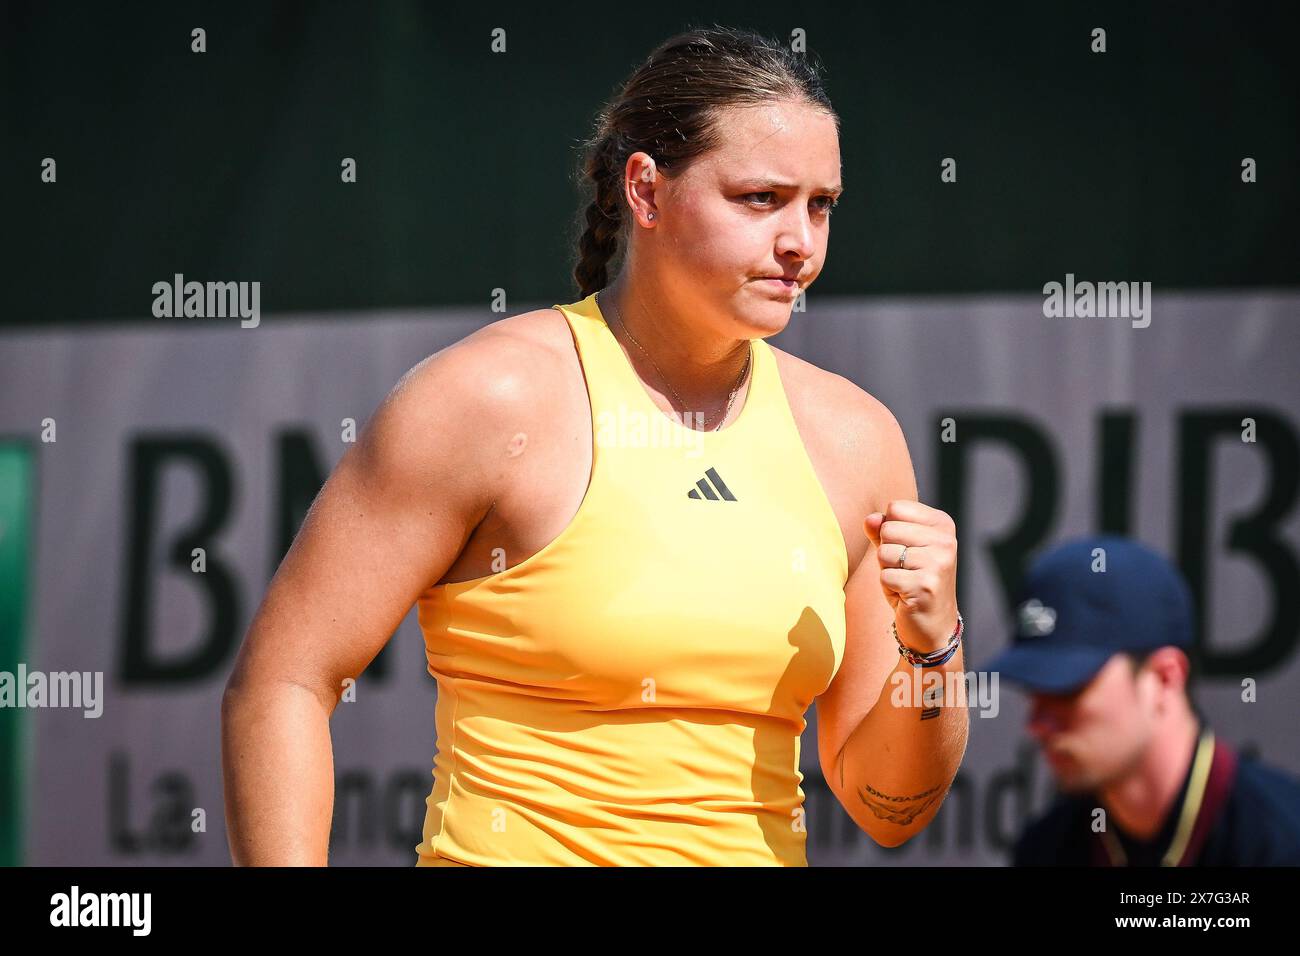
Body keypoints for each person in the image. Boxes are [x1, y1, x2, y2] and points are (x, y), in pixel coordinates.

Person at [222, 25, 967, 867]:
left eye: (821, 204)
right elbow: (280, 684)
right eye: (760, 198)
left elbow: (887, 808)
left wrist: (933, 648)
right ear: (646, 192)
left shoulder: (854, 438)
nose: (800, 240)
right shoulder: (488, 397)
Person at [984, 535, 1300, 866]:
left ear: (1166, 677)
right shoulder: (1045, 850)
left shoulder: (1279, 841)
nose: (1036, 724)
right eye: (1033, 691)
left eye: (1067, 689)